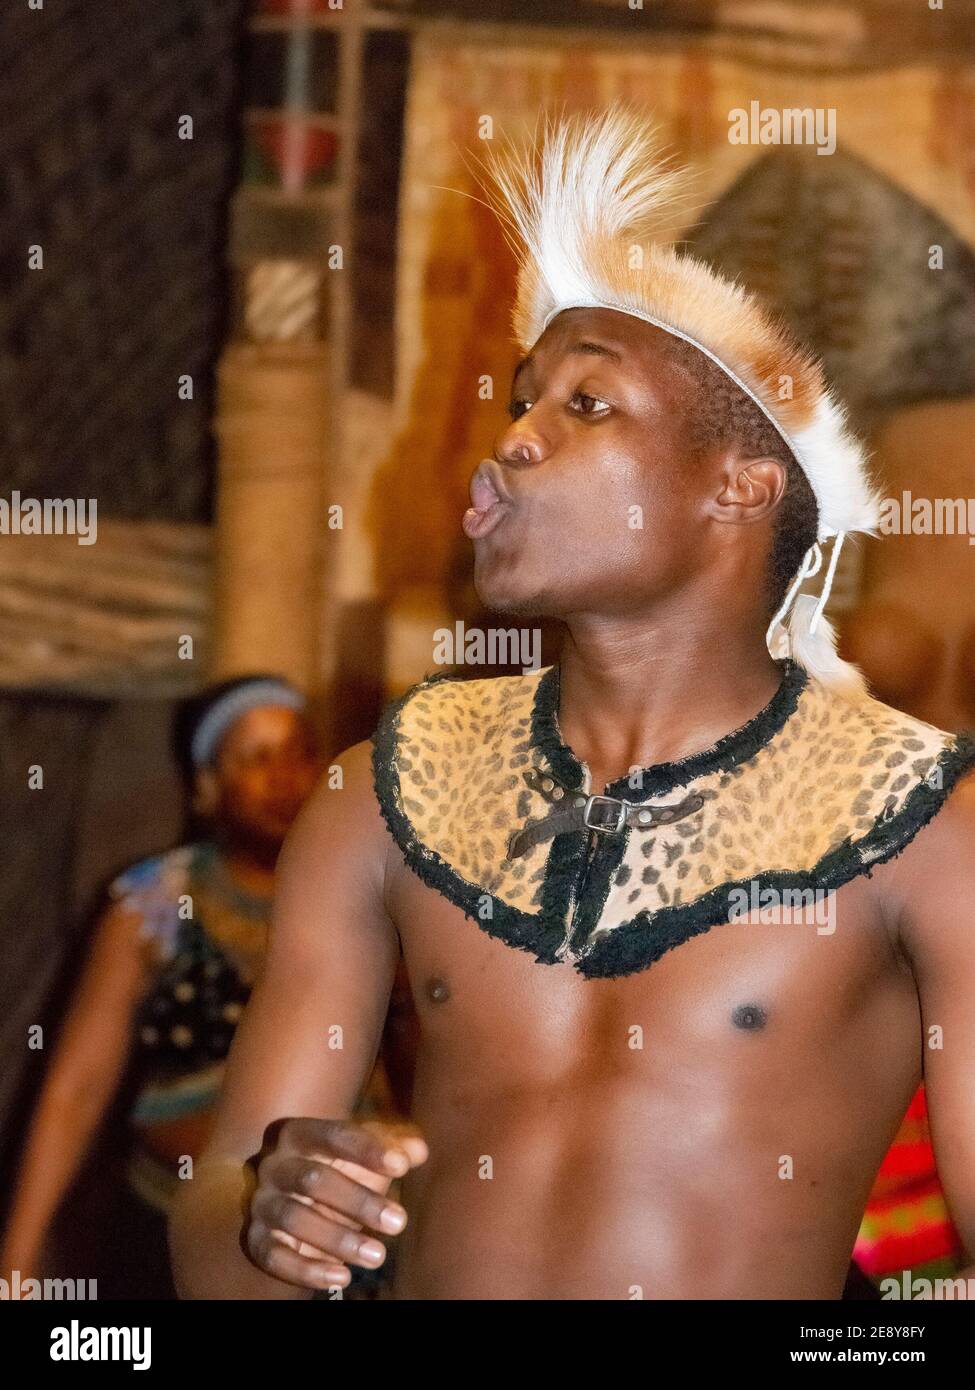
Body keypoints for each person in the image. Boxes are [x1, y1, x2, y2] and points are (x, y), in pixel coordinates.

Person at [171, 111, 975, 1301]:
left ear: (742, 485)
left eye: (588, 405)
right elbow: (214, 1232)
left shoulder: (922, 821)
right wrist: (270, 1218)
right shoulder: (383, 790)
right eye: (521, 400)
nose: (513, 441)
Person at [0, 675, 325, 1298]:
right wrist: (18, 1260)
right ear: (207, 787)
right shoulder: (156, 900)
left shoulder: (352, 897)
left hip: (326, 1243)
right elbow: (77, 1087)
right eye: (256, 758)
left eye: (297, 753)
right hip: (169, 1237)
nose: (284, 777)